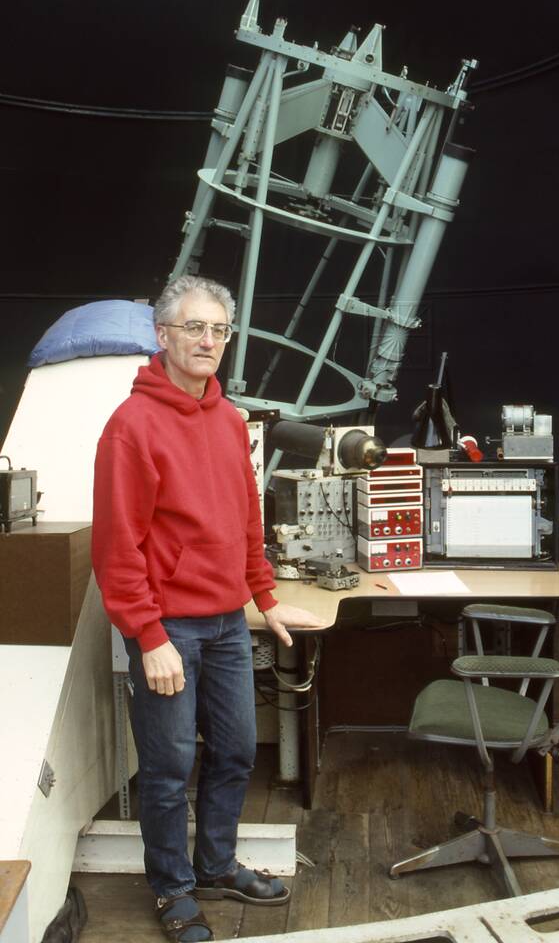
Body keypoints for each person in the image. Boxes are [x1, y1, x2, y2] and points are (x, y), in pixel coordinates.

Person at [92, 274, 326, 942]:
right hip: (167, 629)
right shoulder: (130, 427)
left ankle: (216, 865)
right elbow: (117, 545)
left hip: (225, 625)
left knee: (233, 753)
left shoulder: (228, 421)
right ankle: (173, 890)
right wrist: (148, 633)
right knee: (167, 771)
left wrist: (264, 597)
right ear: (162, 336)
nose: (206, 340)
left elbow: (243, 522)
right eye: (192, 327)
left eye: (218, 329)